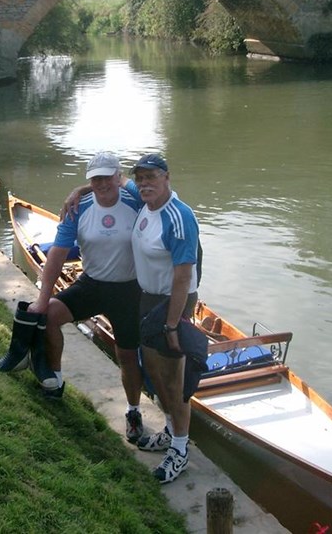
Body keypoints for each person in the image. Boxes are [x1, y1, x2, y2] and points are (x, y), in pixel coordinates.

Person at [27, 152, 146, 442]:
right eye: (95, 179)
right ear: (89, 182)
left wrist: (85, 187)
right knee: (50, 315)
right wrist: (42, 298)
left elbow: (147, 187)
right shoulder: (78, 209)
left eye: (108, 176)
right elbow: (56, 255)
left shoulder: (137, 201)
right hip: (92, 283)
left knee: (127, 356)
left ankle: (133, 411)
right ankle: (53, 381)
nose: (102, 183)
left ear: (118, 177)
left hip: (129, 289)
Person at [129, 153, 199, 484]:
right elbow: (110, 184)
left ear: (167, 177)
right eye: (140, 178)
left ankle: (181, 451)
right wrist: (80, 192)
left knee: (175, 380)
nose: (144, 184)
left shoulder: (179, 217)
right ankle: (171, 433)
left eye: (151, 177)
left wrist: (172, 324)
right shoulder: (144, 201)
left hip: (174, 303)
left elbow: (184, 277)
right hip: (148, 299)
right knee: (154, 372)